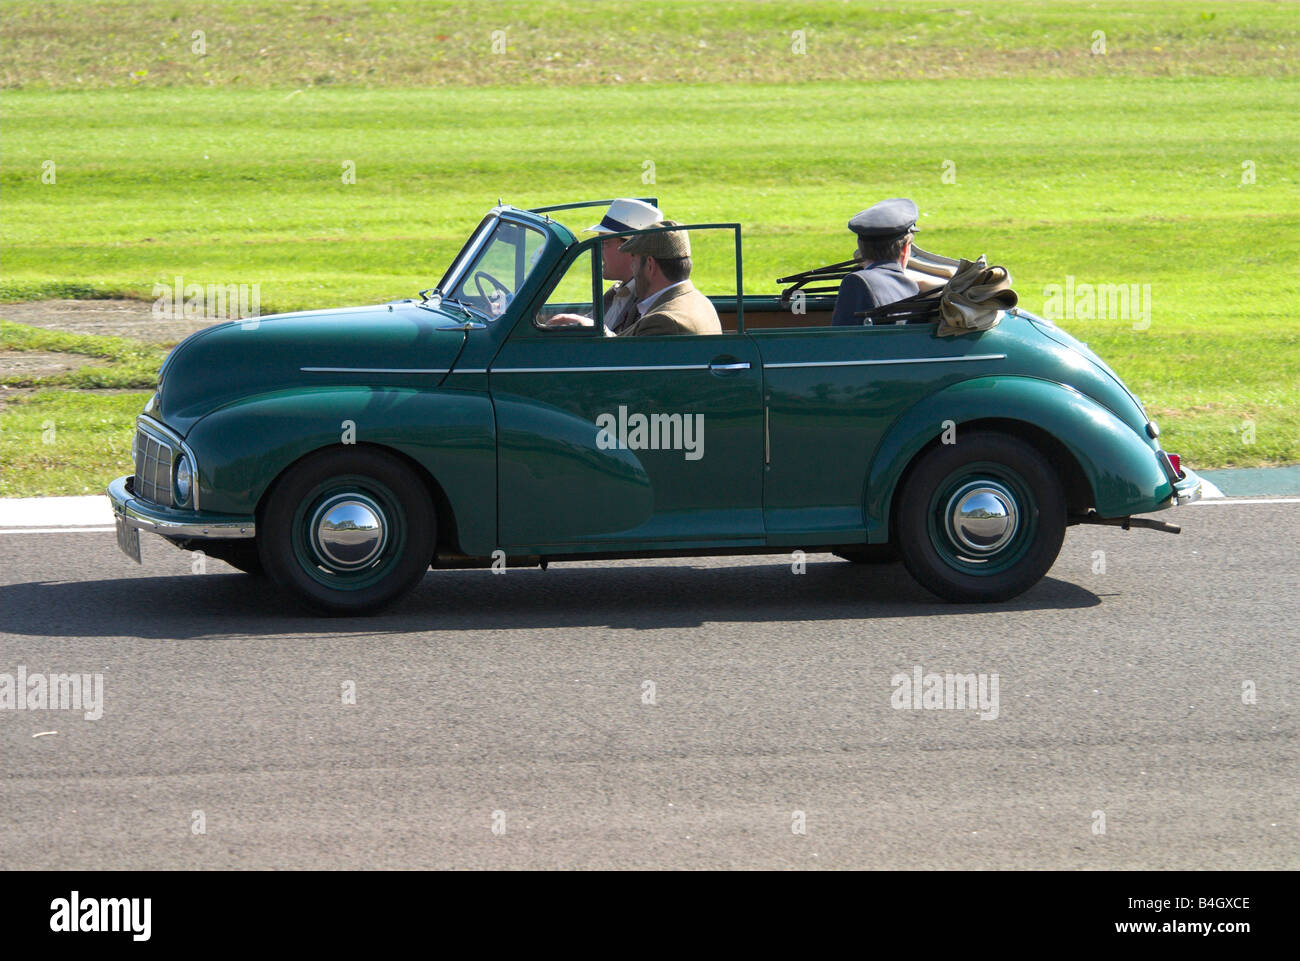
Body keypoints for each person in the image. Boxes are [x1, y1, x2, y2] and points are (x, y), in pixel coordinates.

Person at [543, 198, 664, 333]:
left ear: (631, 249)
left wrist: (591, 327)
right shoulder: (617, 292)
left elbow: (631, 351)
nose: (598, 250)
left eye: (604, 243)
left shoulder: (649, 302)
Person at [615, 221, 721, 337]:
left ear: (650, 265)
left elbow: (624, 354)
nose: (632, 268)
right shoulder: (701, 302)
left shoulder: (663, 321)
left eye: (634, 260)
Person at [831, 198, 921, 327]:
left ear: (860, 248)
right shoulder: (915, 288)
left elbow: (842, 341)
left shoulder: (858, 282)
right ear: (906, 249)